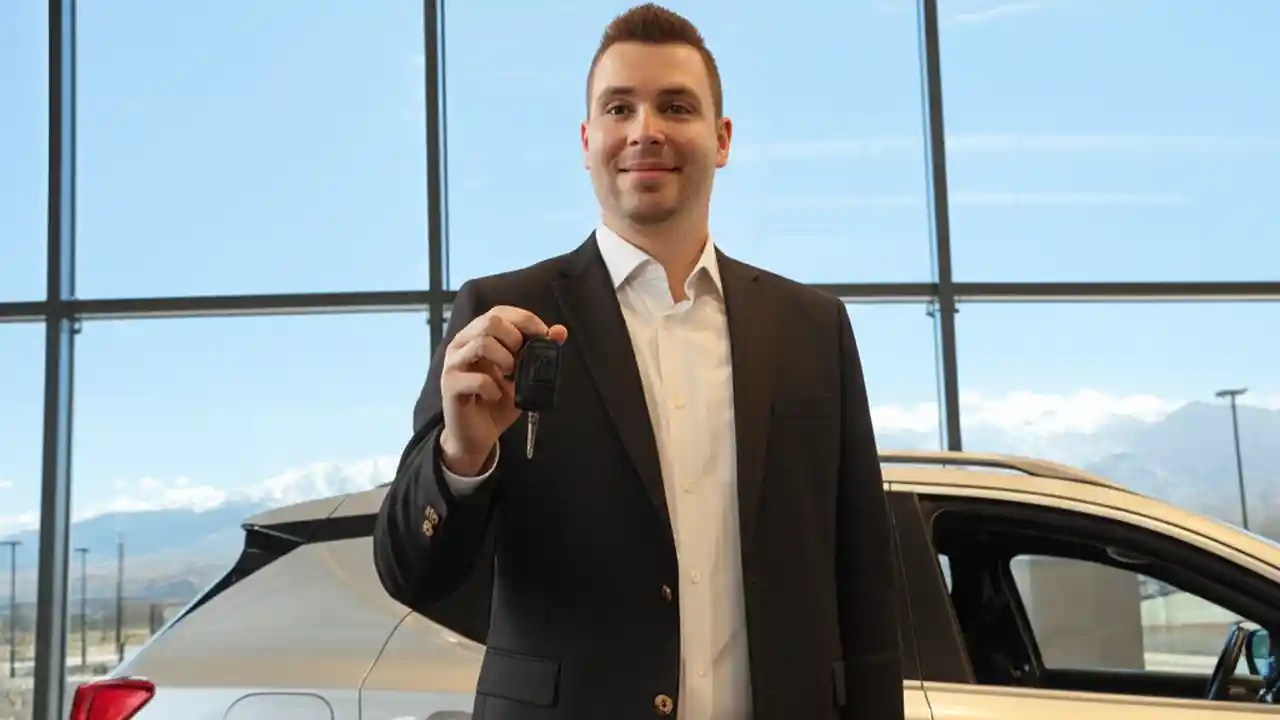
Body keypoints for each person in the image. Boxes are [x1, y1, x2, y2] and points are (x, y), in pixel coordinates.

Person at [373, 4, 903, 718]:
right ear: (588, 139)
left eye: (675, 106)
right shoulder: (501, 316)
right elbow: (411, 571)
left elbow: (865, 589)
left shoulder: (813, 329)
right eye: (619, 107)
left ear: (721, 139)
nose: (644, 130)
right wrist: (461, 455)